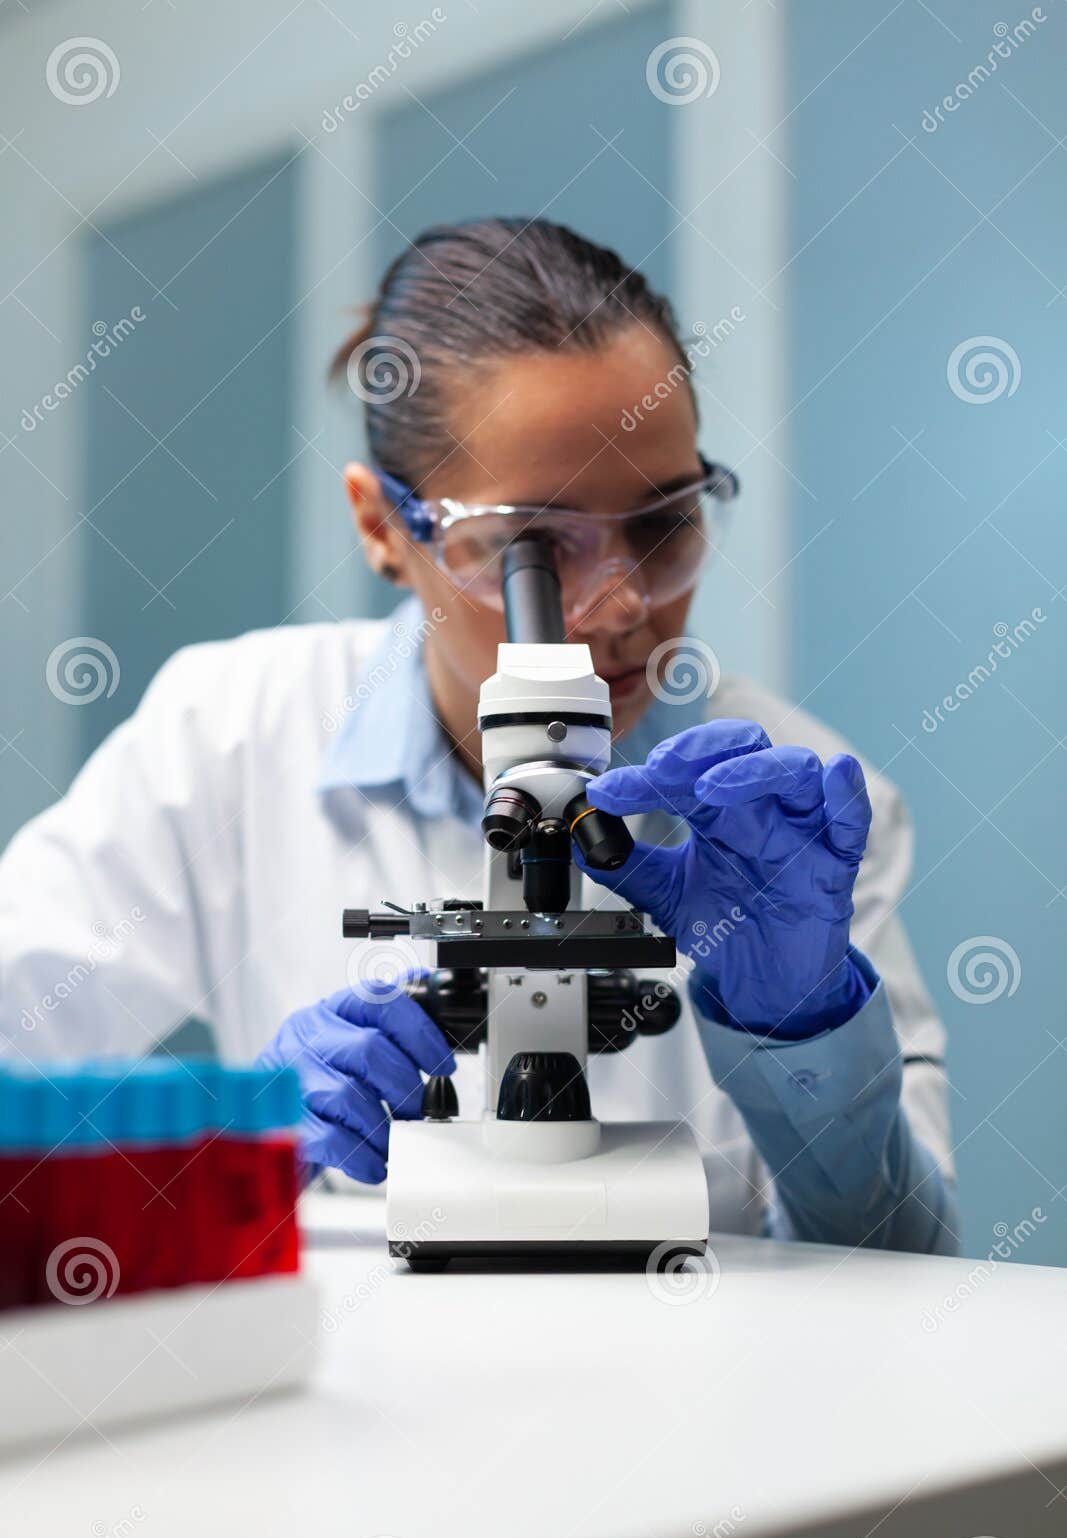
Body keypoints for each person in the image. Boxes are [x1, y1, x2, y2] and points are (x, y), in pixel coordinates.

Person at [0, 217, 956, 1251]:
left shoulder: (794, 813)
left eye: (661, 521)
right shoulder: (228, 733)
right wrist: (231, 1140)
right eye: (535, 547)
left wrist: (804, 1040)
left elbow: (911, 1277)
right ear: (380, 525)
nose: (621, 602)